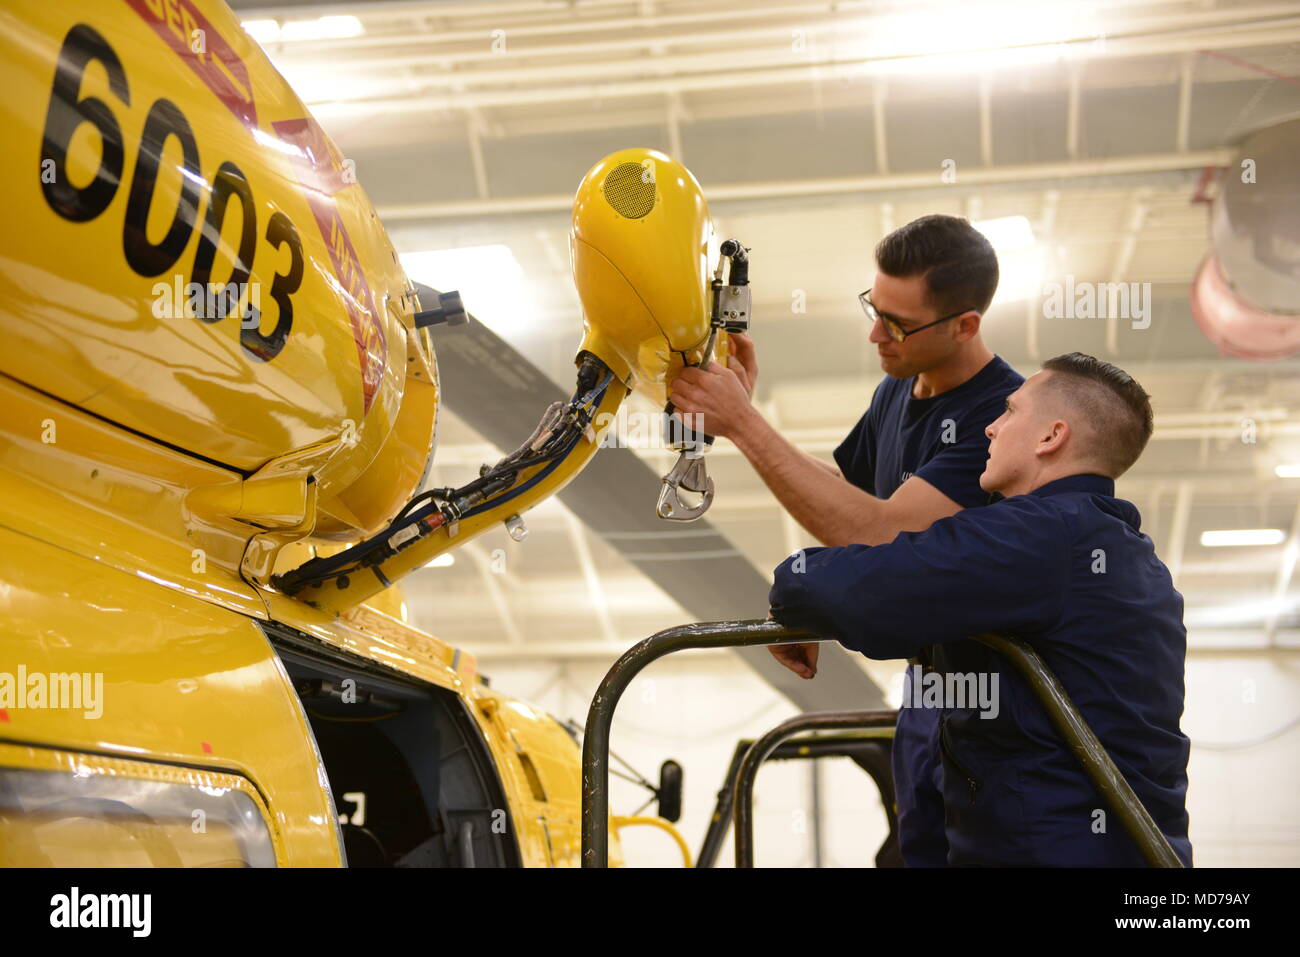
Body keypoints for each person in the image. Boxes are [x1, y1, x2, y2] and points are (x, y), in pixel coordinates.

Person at [670, 214, 1022, 866]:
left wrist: (744, 425)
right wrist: (816, 601)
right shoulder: (896, 389)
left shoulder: (1001, 420)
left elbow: (881, 535)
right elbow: (843, 503)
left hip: (1007, 720)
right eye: (874, 308)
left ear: (965, 324)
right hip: (929, 701)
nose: (874, 334)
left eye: (897, 323)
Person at [766, 353, 1193, 867]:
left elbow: (864, 587)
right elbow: (905, 609)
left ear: (1050, 437)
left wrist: (794, 584)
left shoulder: (1037, 536)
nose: (990, 428)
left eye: (1009, 412)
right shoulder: (1117, 549)